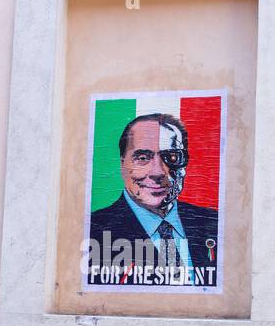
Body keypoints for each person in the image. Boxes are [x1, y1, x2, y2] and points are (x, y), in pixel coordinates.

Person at [86, 113, 219, 287]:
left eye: (171, 157)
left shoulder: (216, 224)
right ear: (122, 164)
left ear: (185, 164)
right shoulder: (90, 231)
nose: (157, 172)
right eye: (142, 158)